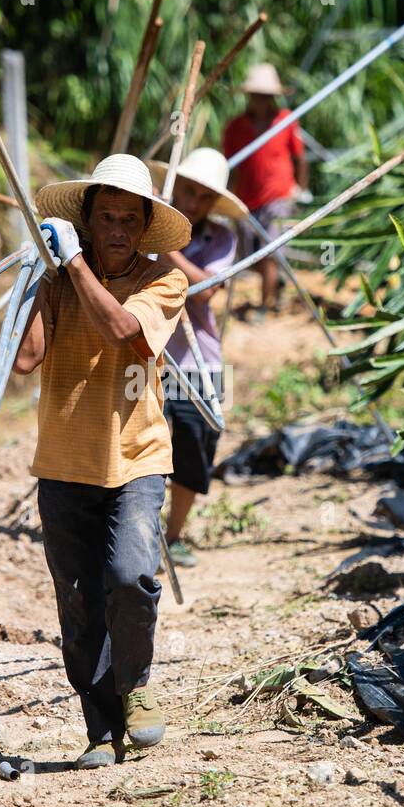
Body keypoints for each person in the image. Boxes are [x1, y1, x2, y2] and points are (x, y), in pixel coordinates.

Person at [13, 153, 191, 769]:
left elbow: (123, 333)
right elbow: (25, 360)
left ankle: (136, 687)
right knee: (79, 600)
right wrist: (41, 280)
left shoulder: (163, 283)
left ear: (143, 229)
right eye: (105, 217)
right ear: (86, 222)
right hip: (63, 462)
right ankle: (99, 728)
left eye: (127, 219)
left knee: (131, 576)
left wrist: (75, 264)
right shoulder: (60, 281)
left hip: (136, 457)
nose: (116, 228)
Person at [145, 148, 248, 568]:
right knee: (140, 446)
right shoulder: (143, 222)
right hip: (145, 354)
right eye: (187, 191)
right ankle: (137, 534)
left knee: (194, 444)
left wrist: (164, 245)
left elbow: (205, 289)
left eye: (204, 197)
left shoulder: (221, 239)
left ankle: (173, 535)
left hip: (196, 361)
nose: (192, 203)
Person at [222, 63, 308, 317]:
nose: (261, 101)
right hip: (246, 200)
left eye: (266, 96)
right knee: (251, 254)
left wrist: (300, 189)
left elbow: (300, 157)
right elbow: (228, 165)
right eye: (257, 95)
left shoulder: (286, 121)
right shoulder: (235, 127)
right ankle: (275, 281)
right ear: (249, 96)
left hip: (279, 197)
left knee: (271, 250)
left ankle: (263, 305)